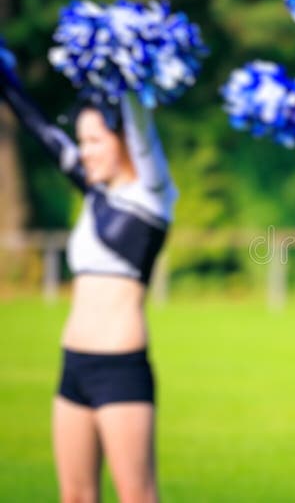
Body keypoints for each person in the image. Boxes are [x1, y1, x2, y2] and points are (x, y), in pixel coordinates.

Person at [0, 61, 176, 502]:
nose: (84, 152)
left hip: (120, 368)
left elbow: (139, 119)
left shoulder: (152, 194)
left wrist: (127, 59)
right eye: (81, 141)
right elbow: (39, 127)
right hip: (73, 364)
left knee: (136, 495)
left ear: (125, 143)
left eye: (96, 140)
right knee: (75, 496)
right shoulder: (95, 193)